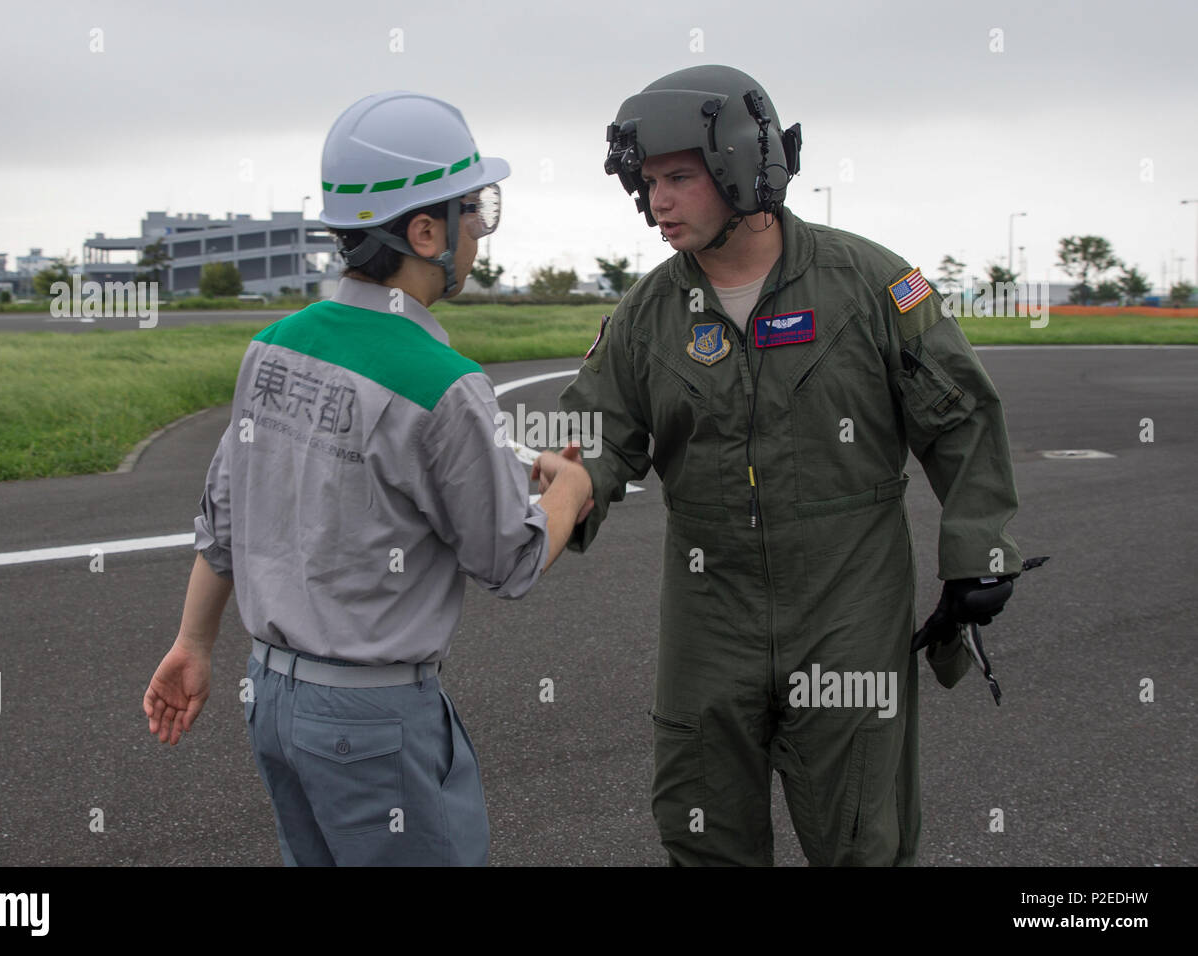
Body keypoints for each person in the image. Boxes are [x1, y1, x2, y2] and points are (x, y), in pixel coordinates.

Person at [535, 65, 1023, 866]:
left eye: (680, 177)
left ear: (741, 165)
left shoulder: (871, 285)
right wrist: (554, 499)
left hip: (848, 605)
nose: (658, 201)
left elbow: (961, 418)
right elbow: (593, 437)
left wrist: (979, 550)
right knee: (702, 829)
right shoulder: (647, 315)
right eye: (649, 181)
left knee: (862, 836)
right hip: (709, 612)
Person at [142, 90, 593, 867]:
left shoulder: (274, 347)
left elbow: (223, 525)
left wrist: (192, 642)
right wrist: (569, 494)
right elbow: (509, 559)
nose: (480, 229)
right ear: (425, 231)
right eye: (472, 209)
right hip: (371, 719)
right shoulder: (445, 384)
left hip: (273, 698)